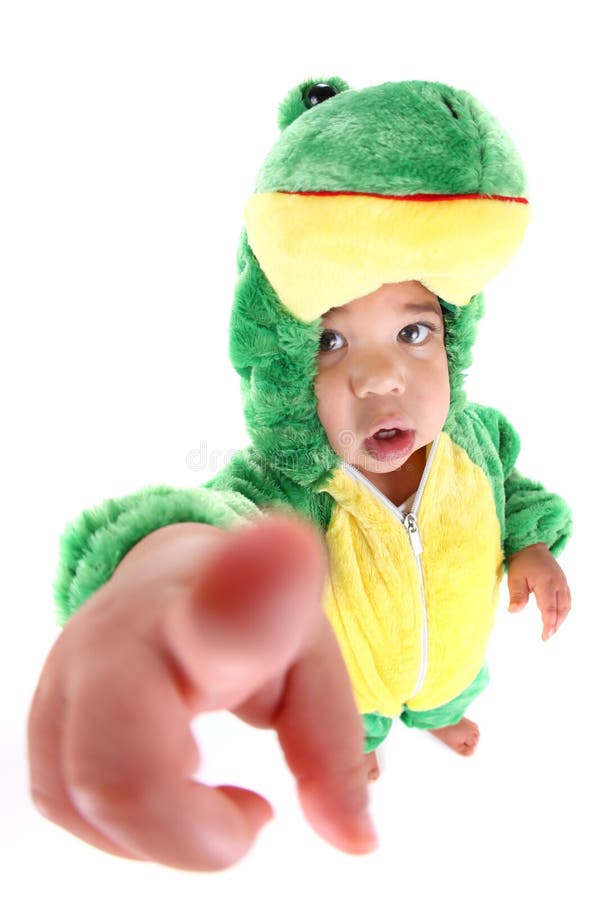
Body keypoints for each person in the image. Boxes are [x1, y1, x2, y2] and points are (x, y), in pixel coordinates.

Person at [28, 76, 572, 871]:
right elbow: (216, 525)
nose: (381, 378)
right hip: (344, 682)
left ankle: (441, 714)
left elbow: (514, 490)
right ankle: (364, 743)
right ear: (284, 364)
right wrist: (153, 570)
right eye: (331, 343)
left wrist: (531, 547)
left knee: (456, 683)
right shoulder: (290, 487)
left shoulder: (475, 441)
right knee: (346, 719)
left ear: (452, 334)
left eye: (414, 330)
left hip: (454, 649)